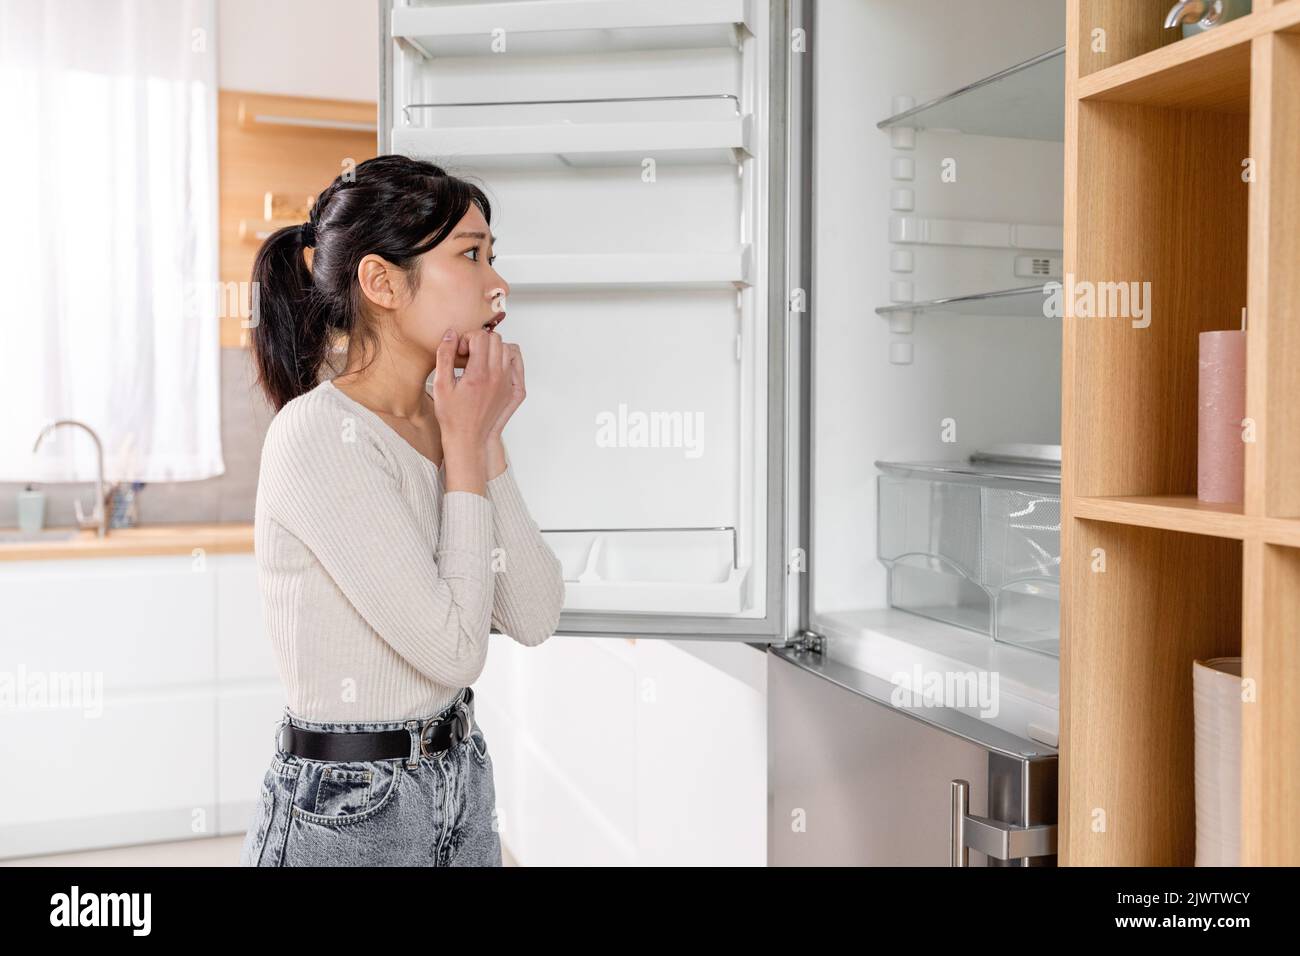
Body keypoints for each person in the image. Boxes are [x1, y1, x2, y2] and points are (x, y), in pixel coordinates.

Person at [237, 154, 564, 866]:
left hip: (459, 775)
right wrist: (468, 443)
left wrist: (482, 435)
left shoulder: (449, 420)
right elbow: (455, 649)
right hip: (351, 805)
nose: (499, 284)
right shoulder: (319, 434)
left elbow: (535, 614)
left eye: (492, 256)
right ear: (382, 282)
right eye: (470, 256)